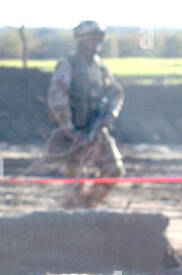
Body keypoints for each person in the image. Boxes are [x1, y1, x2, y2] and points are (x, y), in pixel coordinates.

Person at [44, 20, 126, 209]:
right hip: (72, 133)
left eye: (98, 39)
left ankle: (87, 209)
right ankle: (66, 219)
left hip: (95, 129)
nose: (95, 44)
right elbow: (57, 98)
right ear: (80, 41)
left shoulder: (99, 67)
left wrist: (109, 115)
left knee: (114, 169)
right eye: (91, 39)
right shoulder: (68, 65)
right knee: (75, 184)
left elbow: (116, 92)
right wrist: (70, 130)